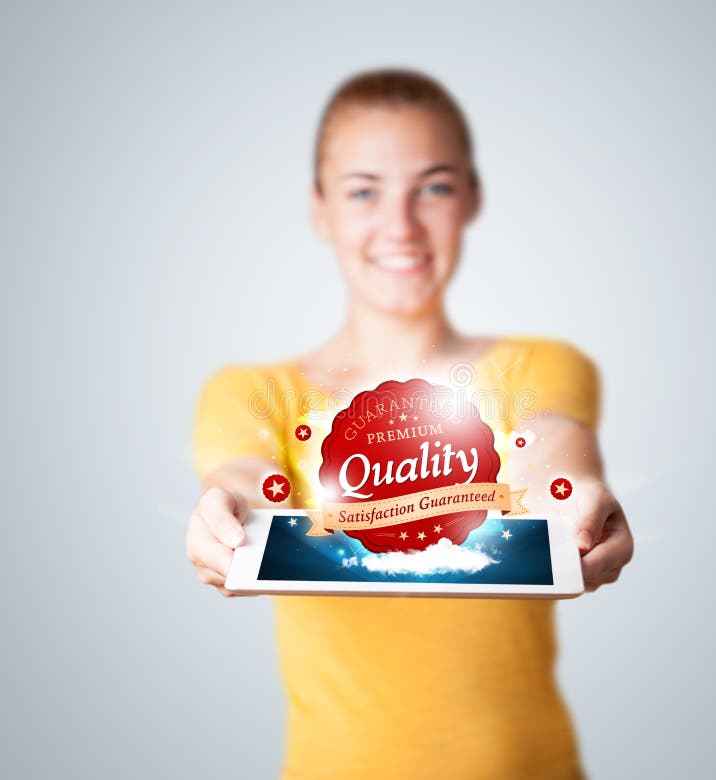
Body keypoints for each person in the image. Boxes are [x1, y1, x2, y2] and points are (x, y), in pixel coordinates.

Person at [186, 68, 634, 780]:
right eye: (364, 191)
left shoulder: (542, 365)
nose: (400, 226)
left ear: (472, 198)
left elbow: (551, 446)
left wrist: (567, 496)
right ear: (320, 209)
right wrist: (229, 516)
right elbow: (243, 478)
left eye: (434, 187)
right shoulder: (251, 392)